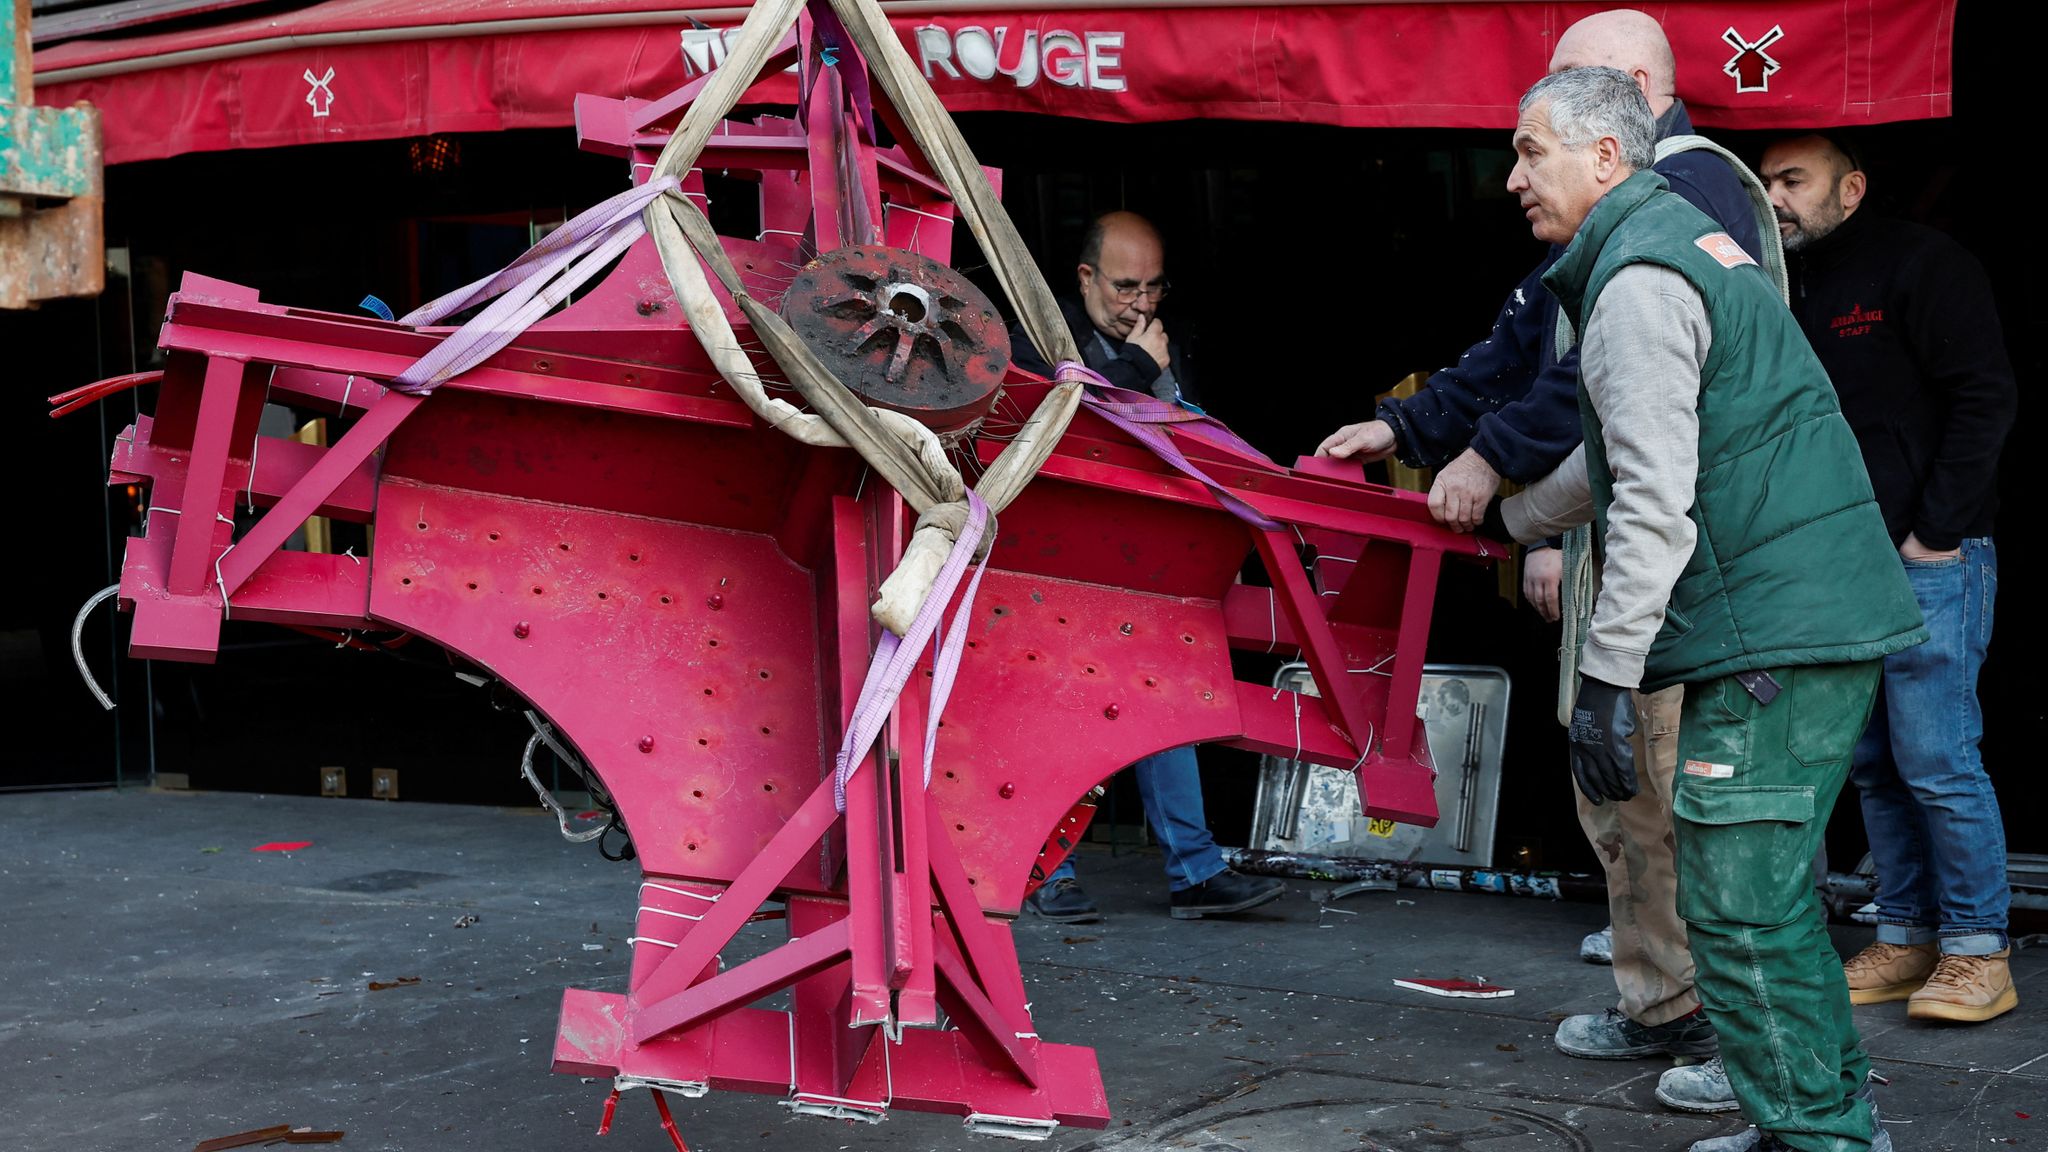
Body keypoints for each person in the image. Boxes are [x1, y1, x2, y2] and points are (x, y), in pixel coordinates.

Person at [1318, 11, 1769, 1103]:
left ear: (1617, 105)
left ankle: (1736, 1045)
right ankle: (1660, 1006)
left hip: (1695, 558)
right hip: (1636, 535)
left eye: (1537, 129)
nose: (1515, 161)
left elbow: (1609, 406)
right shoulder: (1607, 220)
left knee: (1687, 797)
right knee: (1622, 795)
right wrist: (1410, 430)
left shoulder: (1684, 199)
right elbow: (1525, 337)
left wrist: (1489, 464)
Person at [1495, 66, 1926, 1152]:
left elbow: (1649, 504)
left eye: (1528, 149)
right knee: (1759, 899)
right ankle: (1816, 1120)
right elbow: (1623, 457)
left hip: (1771, 632)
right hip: (1796, 620)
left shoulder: (1634, 286)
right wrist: (1508, 517)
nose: (1511, 177)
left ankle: (1817, 1136)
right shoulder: (1676, 251)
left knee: (1738, 904)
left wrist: (1603, 677)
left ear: (1604, 157)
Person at [1760, 134, 2019, 1022]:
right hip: (1837, 565)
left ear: (1853, 187)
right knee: (1871, 761)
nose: (1775, 197)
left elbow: (1985, 397)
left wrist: (1936, 533)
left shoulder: (1925, 263)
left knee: (1938, 757)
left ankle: (1980, 951)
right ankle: (1906, 936)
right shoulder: (1782, 282)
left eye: (1793, 180)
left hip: (1927, 558)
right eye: (1764, 182)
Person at [1009, 210, 1284, 923]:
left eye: (1154, 287)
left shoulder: (1166, 337)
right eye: (1126, 286)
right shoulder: (1040, 329)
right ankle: (1044, 872)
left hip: (1143, 560)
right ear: (1086, 277)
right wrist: (1141, 368)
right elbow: (1066, 417)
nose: (1140, 302)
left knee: (1169, 699)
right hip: (1048, 562)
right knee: (1054, 710)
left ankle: (1194, 871)